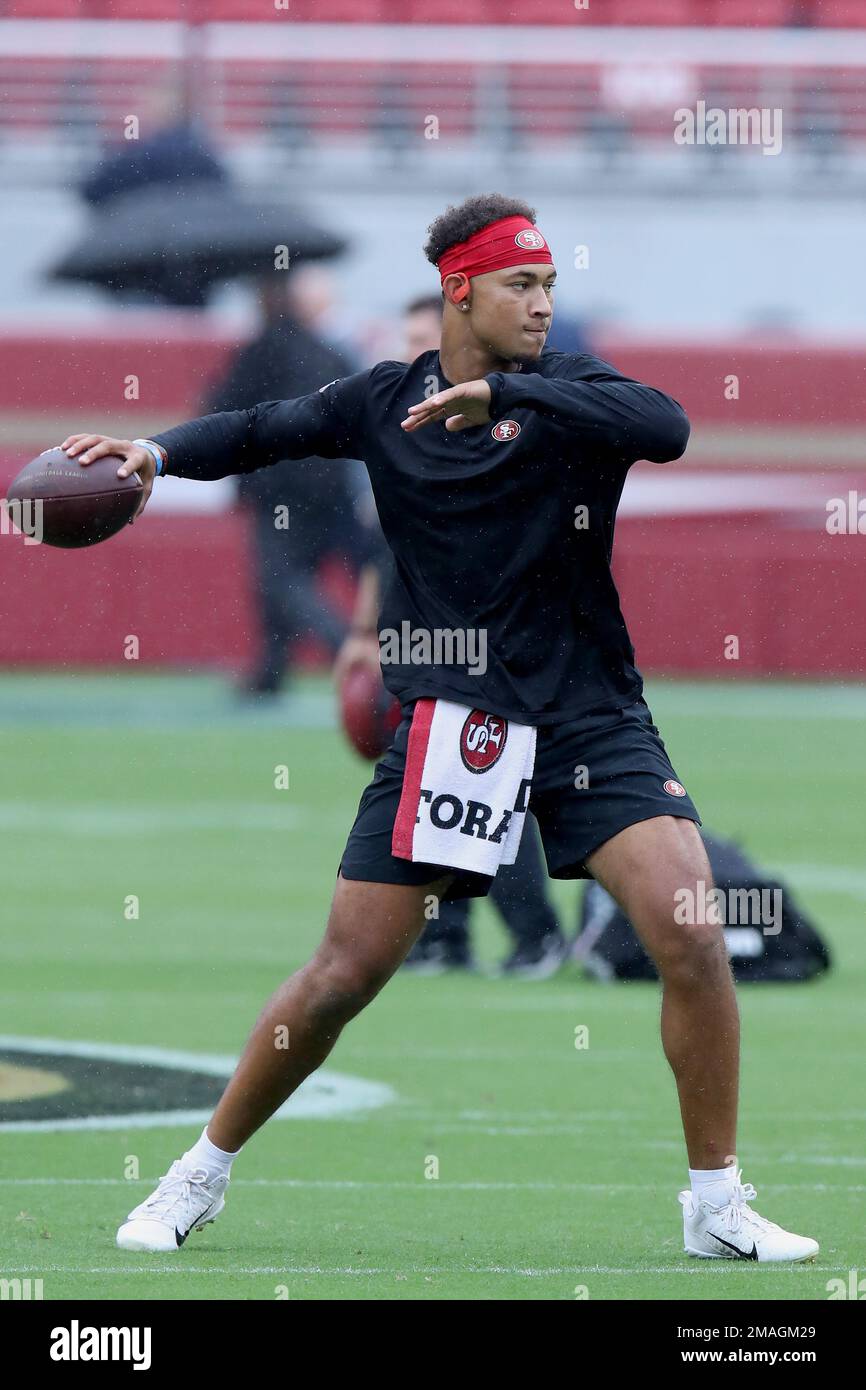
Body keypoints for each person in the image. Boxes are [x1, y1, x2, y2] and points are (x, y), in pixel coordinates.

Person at [63, 192, 817, 1263]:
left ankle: (713, 1204)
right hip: (453, 723)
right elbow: (262, 432)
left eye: (550, 283)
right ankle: (199, 1174)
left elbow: (666, 426)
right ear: (459, 289)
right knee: (339, 978)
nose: (544, 303)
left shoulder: (566, 390)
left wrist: (512, 393)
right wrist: (153, 452)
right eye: (522, 284)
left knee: (691, 934)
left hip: (587, 714)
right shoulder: (381, 400)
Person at [335, 292, 567, 978]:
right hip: (428, 639)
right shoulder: (400, 426)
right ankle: (446, 936)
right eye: (405, 340)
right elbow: (390, 550)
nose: (413, 354)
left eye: (423, 340)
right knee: (441, 783)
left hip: (502, 638)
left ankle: (538, 934)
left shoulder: (505, 419)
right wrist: (363, 633)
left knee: (479, 781)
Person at [203, 272, 365, 696]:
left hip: (280, 490)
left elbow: (221, 413)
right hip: (332, 486)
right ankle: (271, 672)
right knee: (299, 576)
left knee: (280, 580)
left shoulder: (259, 353)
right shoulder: (329, 353)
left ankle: (343, 650)